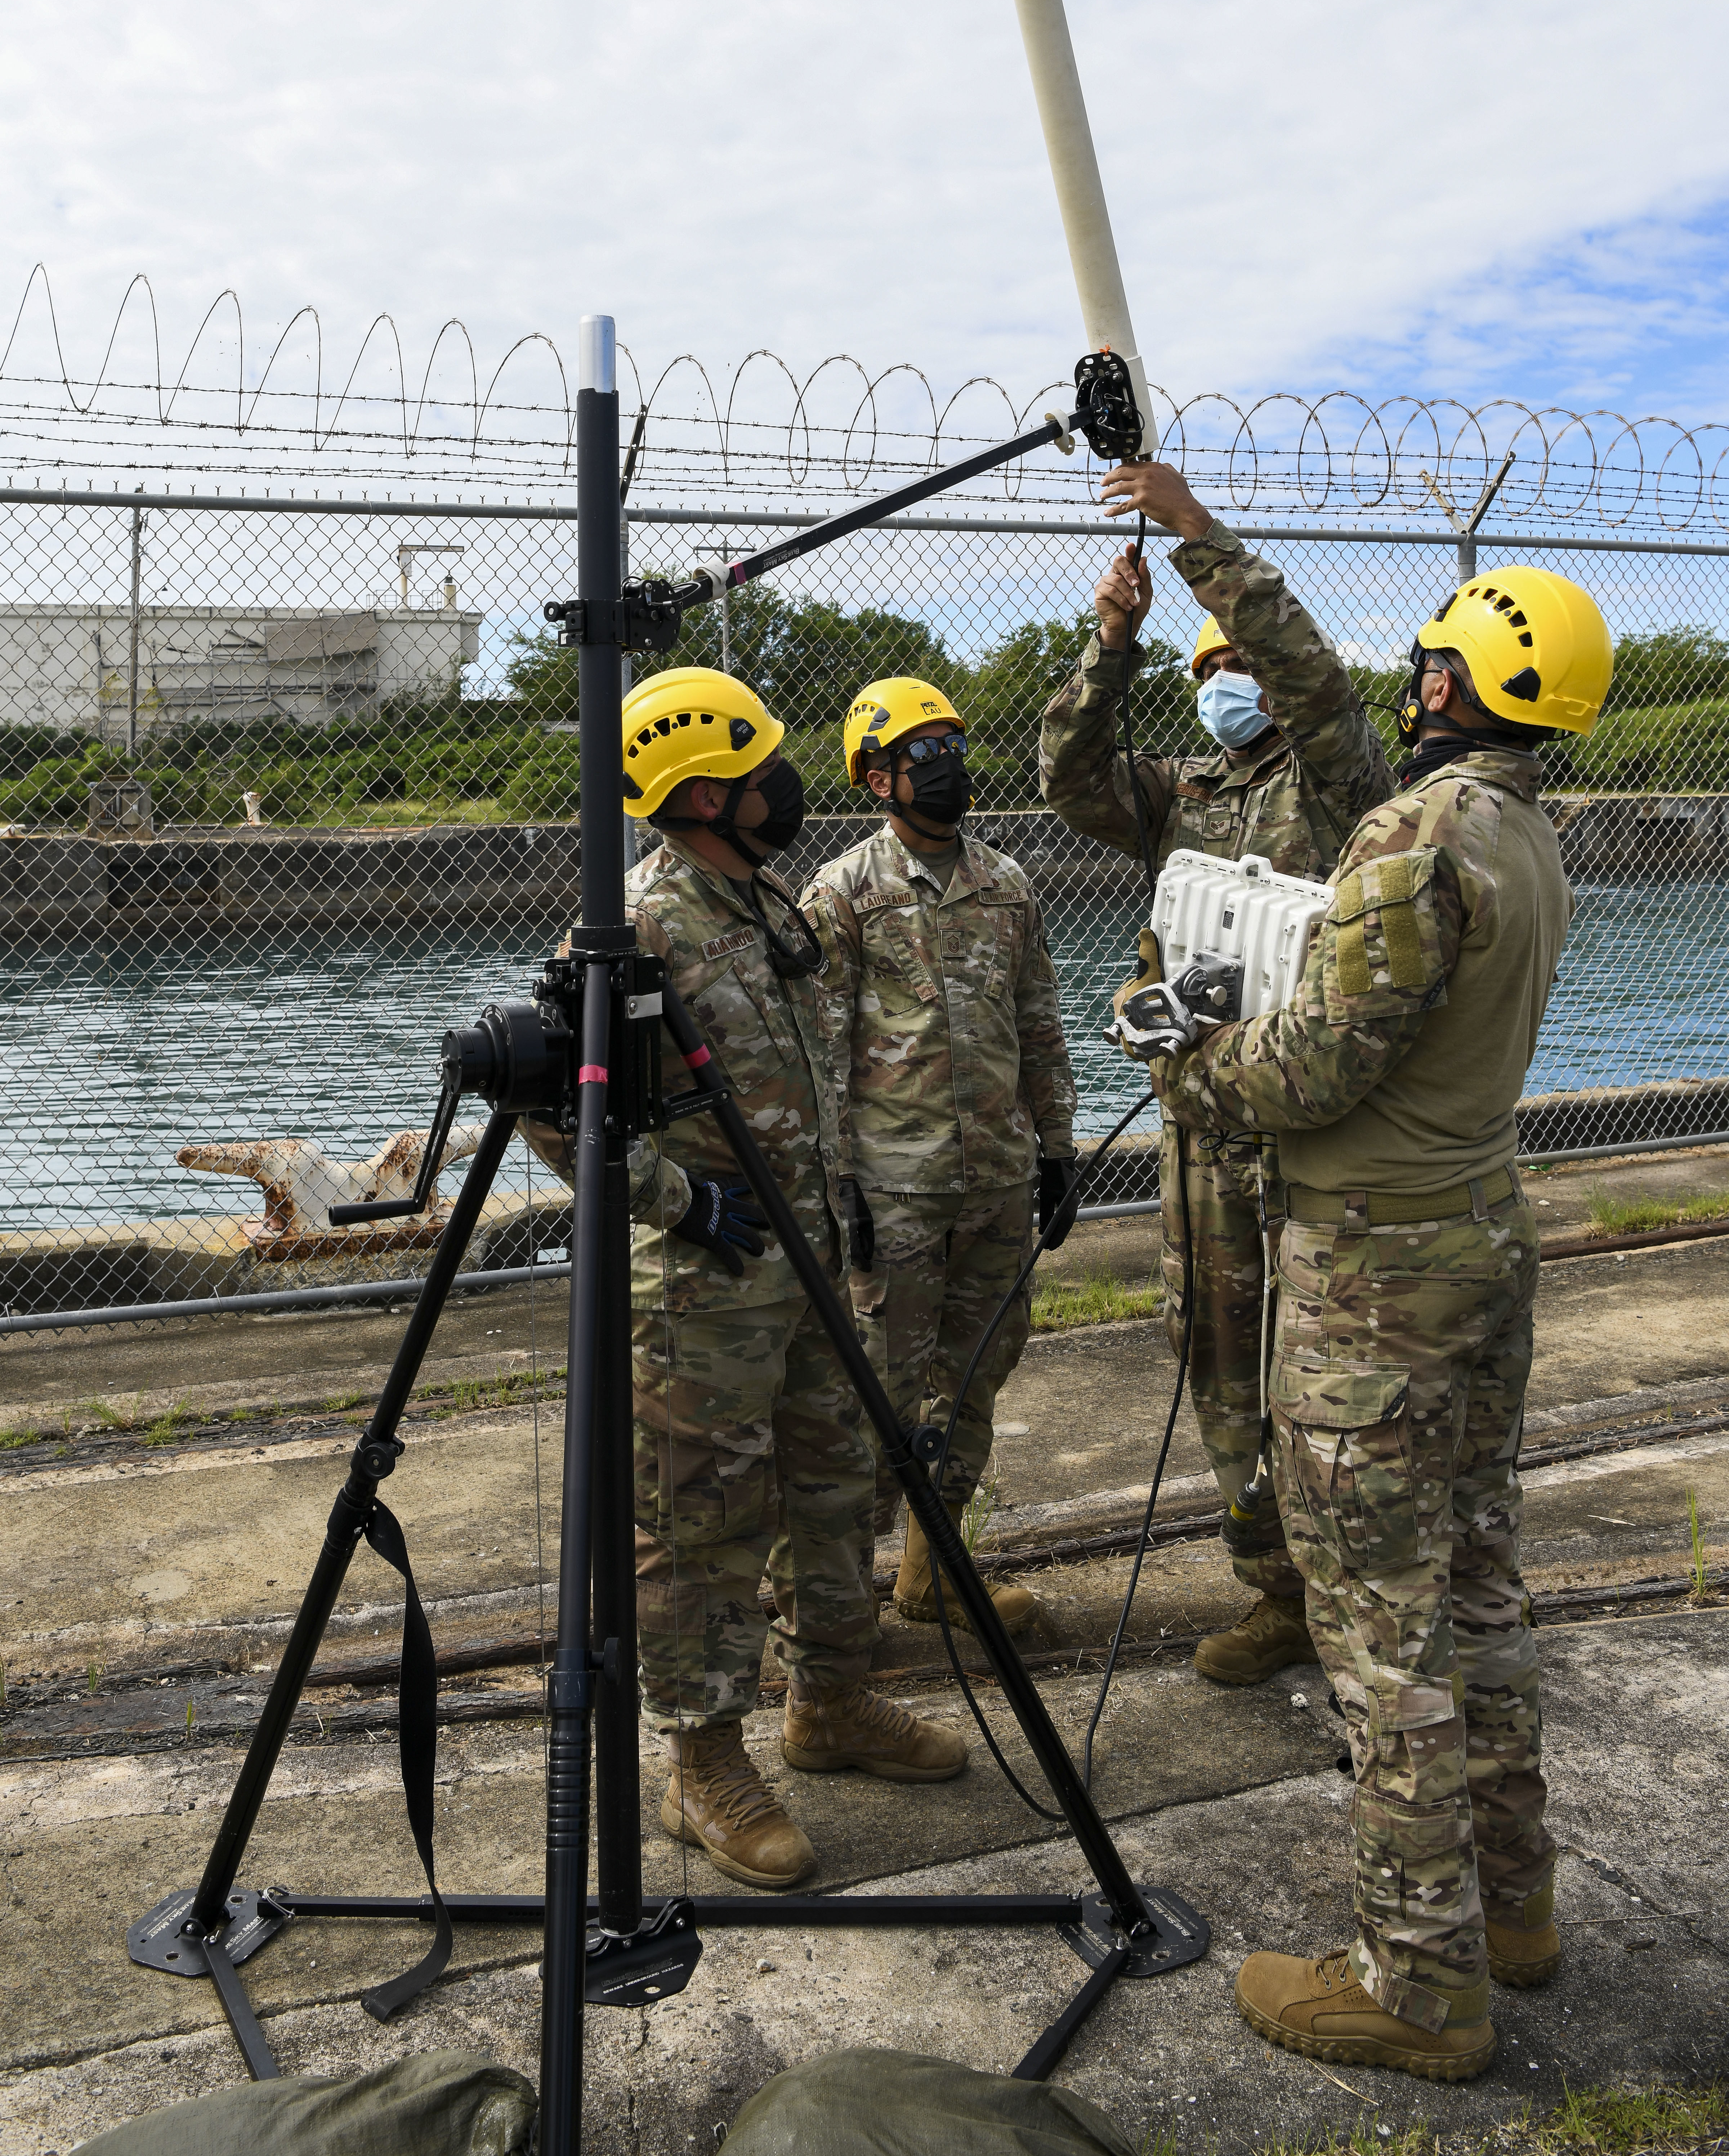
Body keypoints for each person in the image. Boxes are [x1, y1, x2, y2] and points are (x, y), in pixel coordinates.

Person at [1139, 566, 1613, 2079]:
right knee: (1478, 1585)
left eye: (1430, 668)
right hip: (1481, 1239)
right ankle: (1515, 1913)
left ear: (1457, 685)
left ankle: (1418, 1983)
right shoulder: (1530, 832)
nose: (1413, 687)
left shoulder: (1417, 835)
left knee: (1381, 1632)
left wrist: (1183, 1050)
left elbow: (1305, 1076)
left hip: (1374, 1279)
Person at [526, 663, 966, 1892]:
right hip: (704, 1291)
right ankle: (703, 1767)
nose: (786, 782)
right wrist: (676, 1198)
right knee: (701, 1529)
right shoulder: (632, 926)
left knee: (835, 1490)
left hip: (814, 1259)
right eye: (763, 765)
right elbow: (553, 1110)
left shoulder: (768, 897)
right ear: (707, 794)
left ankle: (831, 1703)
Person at [1040, 454, 1393, 1686]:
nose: (1231, 685)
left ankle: (1342, 1579)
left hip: (1307, 1129)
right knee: (1221, 1358)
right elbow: (1067, 777)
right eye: (1212, 674)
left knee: (1323, 1363)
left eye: (1240, 667)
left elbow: (1321, 685)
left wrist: (1198, 539)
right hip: (1202, 1135)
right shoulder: (1173, 797)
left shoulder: (1344, 781)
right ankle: (1274, 1591)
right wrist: (1115, 638)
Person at [801, 678, 1080, 1637]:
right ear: (878, 778)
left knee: (972, 1384)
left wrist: (1057, 1146)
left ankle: (934, 1574)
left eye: (952, 748)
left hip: (997, 1182)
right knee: (871, 1399)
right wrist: (844, 1189)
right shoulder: (843, 892)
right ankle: (834, 1621)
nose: (945, 768)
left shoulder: (1008, 884)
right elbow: (821, 1052)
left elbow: (1040, 1024)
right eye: (923, 754)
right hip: (897, 1191)